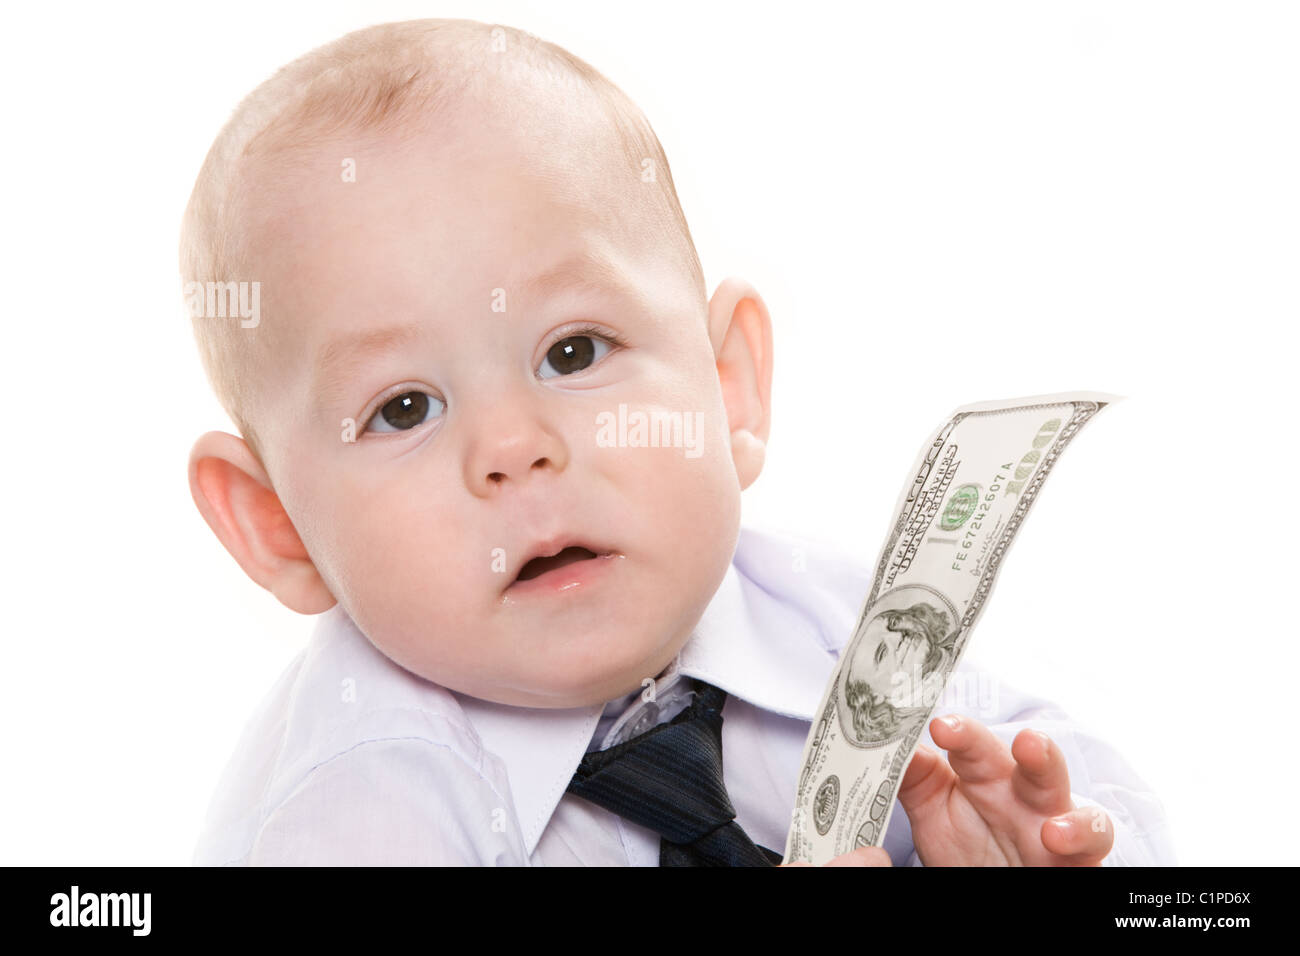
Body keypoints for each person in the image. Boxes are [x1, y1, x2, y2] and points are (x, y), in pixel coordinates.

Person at [181, 18, 1176, 866]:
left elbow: (1117, 809)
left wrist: (1043, 841)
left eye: (573, 349)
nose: (515, 446)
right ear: (277, 525)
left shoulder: (839, 626)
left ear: (727, 386)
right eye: (403, 407)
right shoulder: (349, 818)